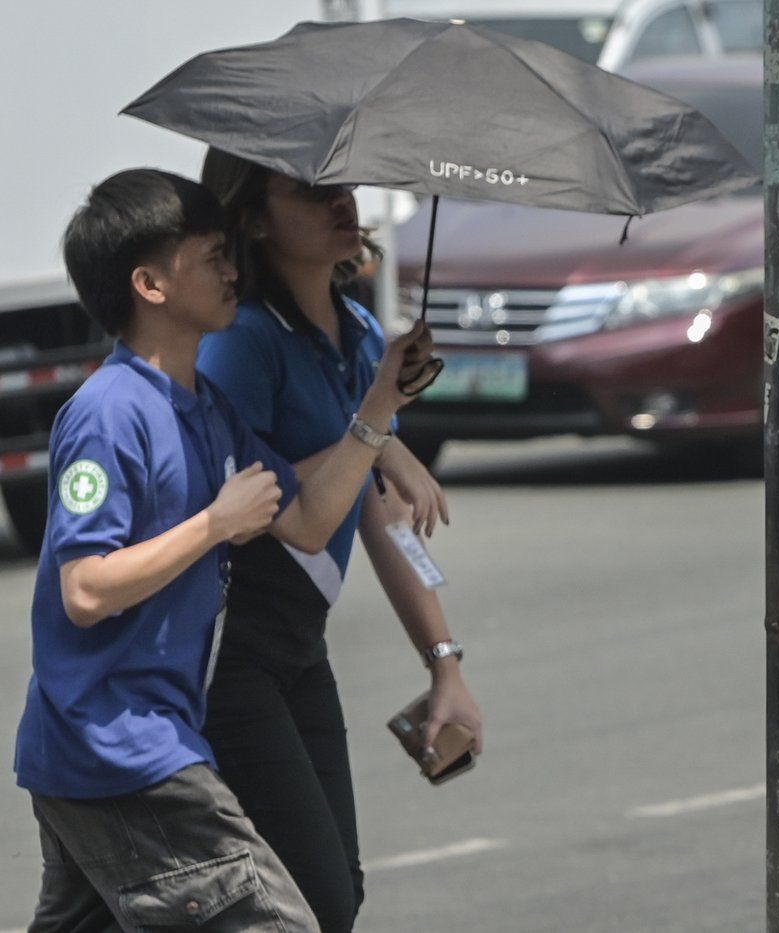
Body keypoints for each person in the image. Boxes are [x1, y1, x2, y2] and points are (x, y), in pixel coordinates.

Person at [14, 168, 432, 930]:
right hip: (118, 744)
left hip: (131, 741)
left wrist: (378, 409)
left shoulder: (206, 412)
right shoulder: (108, 414)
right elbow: (85, 588)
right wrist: (212, 523)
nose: (233, 269)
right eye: (210, 257)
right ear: (150, 284)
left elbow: (306, 521)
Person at [195, 149, 483, 931]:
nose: (342, 203)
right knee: (311, 896)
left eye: (346, 185)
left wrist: (444, 663)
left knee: (336, 892)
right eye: (313, 190)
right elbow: (286, 507)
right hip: (231, 650)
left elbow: (381, 511)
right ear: (255, 218)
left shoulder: (357, 330)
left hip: (299, 646)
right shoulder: (243, 342)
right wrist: (377, 426)